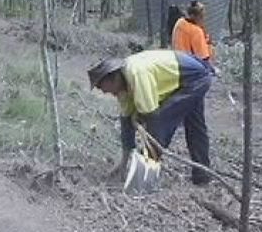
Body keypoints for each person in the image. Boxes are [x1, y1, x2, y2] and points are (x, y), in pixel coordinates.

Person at [88, 49, 213, 186]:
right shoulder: (123, 84)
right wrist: (123, 163)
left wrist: (148, 153)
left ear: (113, 77)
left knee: (162, 122)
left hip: (193, 77)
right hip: (191, 75)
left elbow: (152, 118)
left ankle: (142, 182)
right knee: (194, 127)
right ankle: (203, 178)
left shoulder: (136, 74)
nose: (104, 91)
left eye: (101, 86)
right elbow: (126, 122)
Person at [171, 0, 216, 73]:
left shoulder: (180, 22)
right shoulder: (196, 31)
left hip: (177, 64)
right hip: (192, 70)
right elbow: (203, 58)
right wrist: (212, 70)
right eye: (201, 17)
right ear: (193, 16)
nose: (203, 19)